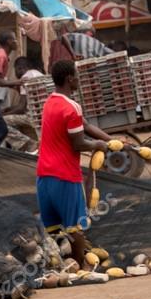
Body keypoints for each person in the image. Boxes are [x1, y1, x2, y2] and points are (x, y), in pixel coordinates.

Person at [36, 60, 109, 267]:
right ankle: (79, 267)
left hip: (44, 175)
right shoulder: (71, 107)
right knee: (75, 227)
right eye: (77, 75)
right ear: (70, 79)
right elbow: (78, 143)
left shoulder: (50, 102)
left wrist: (112, 142)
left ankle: (59, 265)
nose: (78, 79)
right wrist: (98, 145)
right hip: (65, 176)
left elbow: (84, 126)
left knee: (52, 228)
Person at [1, 57, 45, 152]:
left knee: (0, 122)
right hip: (45, 115)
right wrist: (10, 109)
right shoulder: (39, 74)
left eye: (16, 69)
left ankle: (29, 145)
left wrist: (2, 115)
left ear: (20, 68)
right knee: (11, 116)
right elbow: (27, 103)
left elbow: (21, 108)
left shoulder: (25, 78)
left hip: (34, 117)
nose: (16, 73)